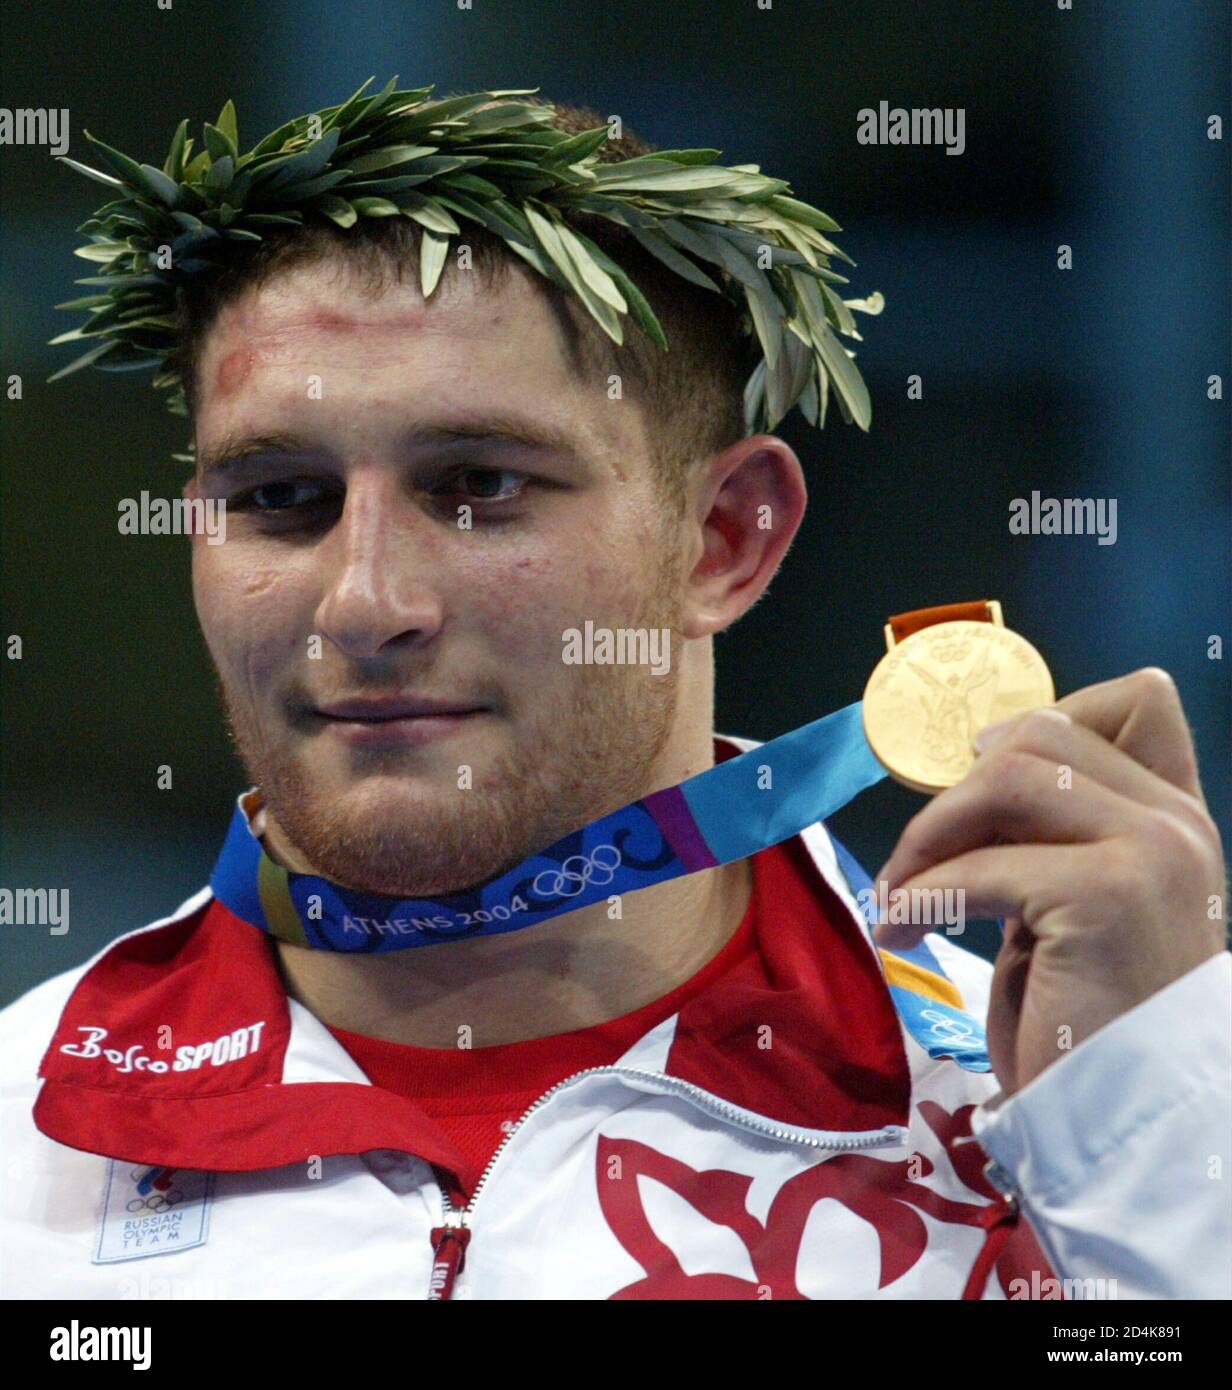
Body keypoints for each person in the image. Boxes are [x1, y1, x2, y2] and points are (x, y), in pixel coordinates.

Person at [1, 83, 1227, 1301]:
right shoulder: (22, 1146)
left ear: (721, 540)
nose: (362, 604)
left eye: (478, 482)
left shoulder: (1067, 1112)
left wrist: (1160, 1144)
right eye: (278, 497)